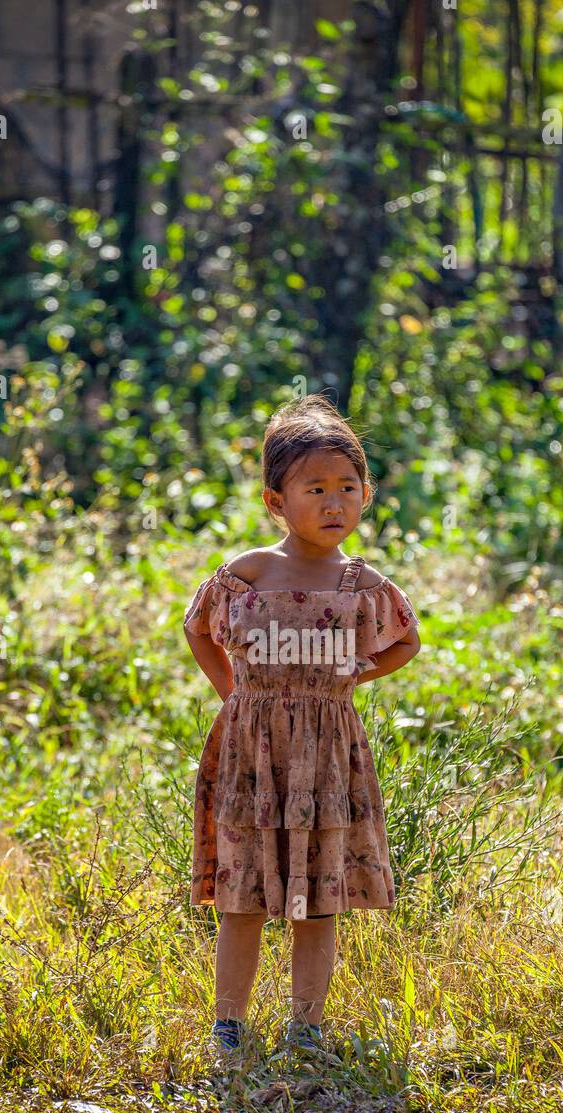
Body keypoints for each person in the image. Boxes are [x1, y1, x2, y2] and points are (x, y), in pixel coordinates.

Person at [183, 394, 422, 1063]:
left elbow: (405, 644)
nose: (333, 503)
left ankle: (305, 1029)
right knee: (244, 894)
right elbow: (197, 628)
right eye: (314, 488)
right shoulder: (248, 575)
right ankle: (228, 1026)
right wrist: (234, 695)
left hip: (327, 753)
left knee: (320, 896)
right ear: (275, 501)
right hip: (251, 750)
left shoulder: (362, 584)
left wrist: (343, 682)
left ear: (367, 494)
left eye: (348, 488)